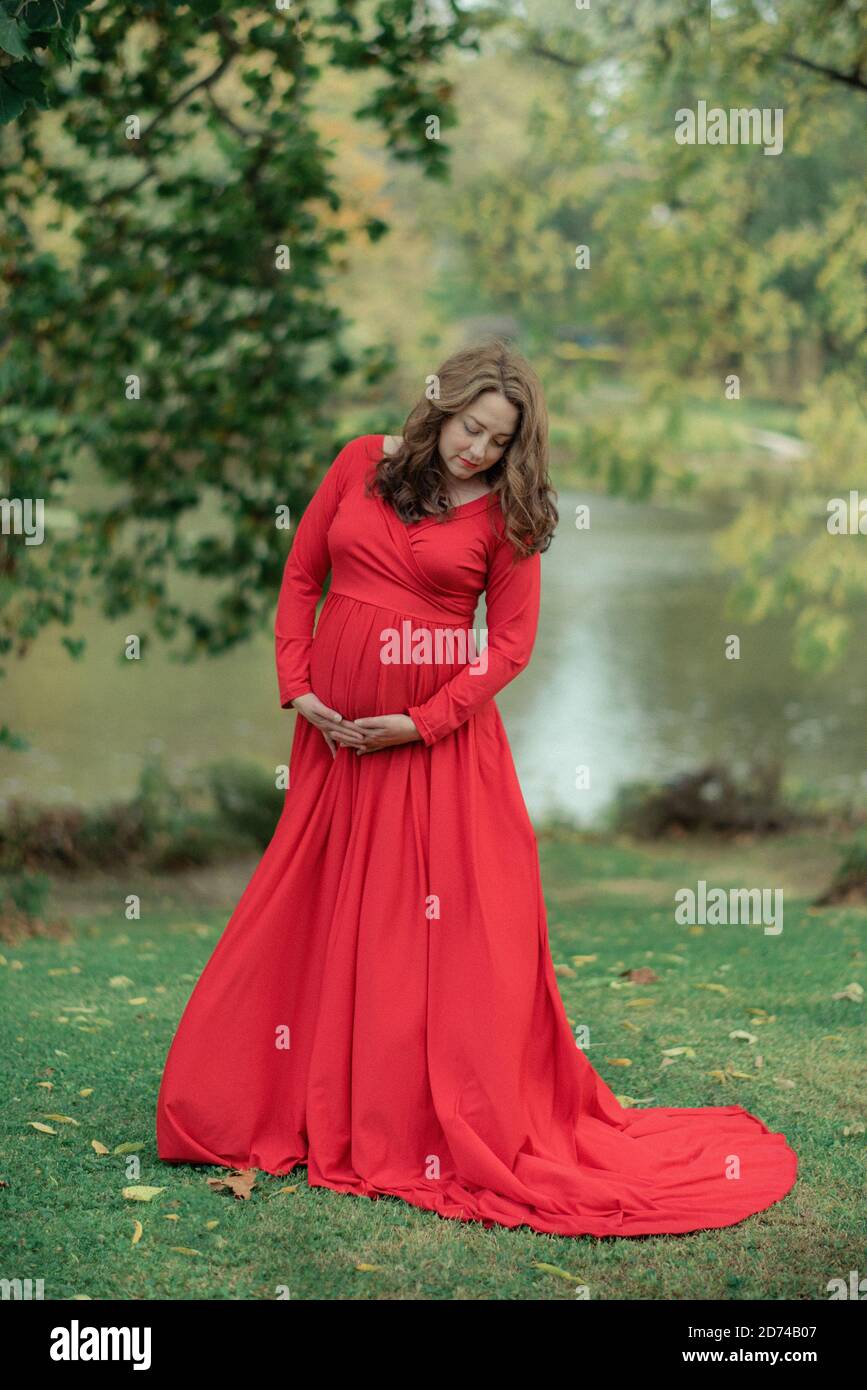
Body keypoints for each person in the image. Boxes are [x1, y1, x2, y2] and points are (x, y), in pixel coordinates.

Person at [156, 340, 798, 1237]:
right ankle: (274, 1103)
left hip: (433, 755)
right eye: (469, 429)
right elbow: (303, 578)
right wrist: (298, 688)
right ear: (440, 408)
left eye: (497, 441)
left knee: (418, 939)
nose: (476, 452)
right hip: (332, 745)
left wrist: (417, 722)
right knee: (312, 911)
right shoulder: (362, 463)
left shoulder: (509, 515)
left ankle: (399, 1121)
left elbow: (509, 648)